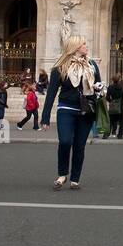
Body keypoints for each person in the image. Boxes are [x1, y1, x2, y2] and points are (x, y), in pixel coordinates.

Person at [40, 35, 101, 190]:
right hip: (66, 109)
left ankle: (75, 178)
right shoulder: (60, 67)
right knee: (65, 141)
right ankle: (62, 174)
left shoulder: (92, 65)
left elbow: (98, 83)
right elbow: (51, 93)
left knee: (80, 145)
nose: (86, 46)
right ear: (75, 47)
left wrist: (99, 88)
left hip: (86, 110)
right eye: (84, 44)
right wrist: (45, 117)